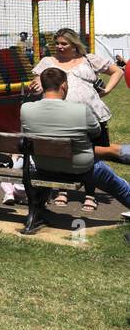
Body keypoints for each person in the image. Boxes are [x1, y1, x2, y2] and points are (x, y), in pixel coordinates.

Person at [23, 67, 130, 224]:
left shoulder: (26, 109)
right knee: (117, 184)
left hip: (44, 166)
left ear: (43, 86)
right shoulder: (80, 110)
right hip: (80, 167)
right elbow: (96, 132)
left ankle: (38, 210)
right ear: (64, 86)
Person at [28, 28, 121, 149]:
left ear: (74, 45)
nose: (59, 46)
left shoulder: (89, 59)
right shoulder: (47, 62)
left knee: (97, 151)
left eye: (64, 43)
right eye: (57, 43)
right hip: (61, 117)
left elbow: (117, 71)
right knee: (66, 152)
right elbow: (39, 82)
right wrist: (36, 87)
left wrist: (107, 90)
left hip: (92, 115)